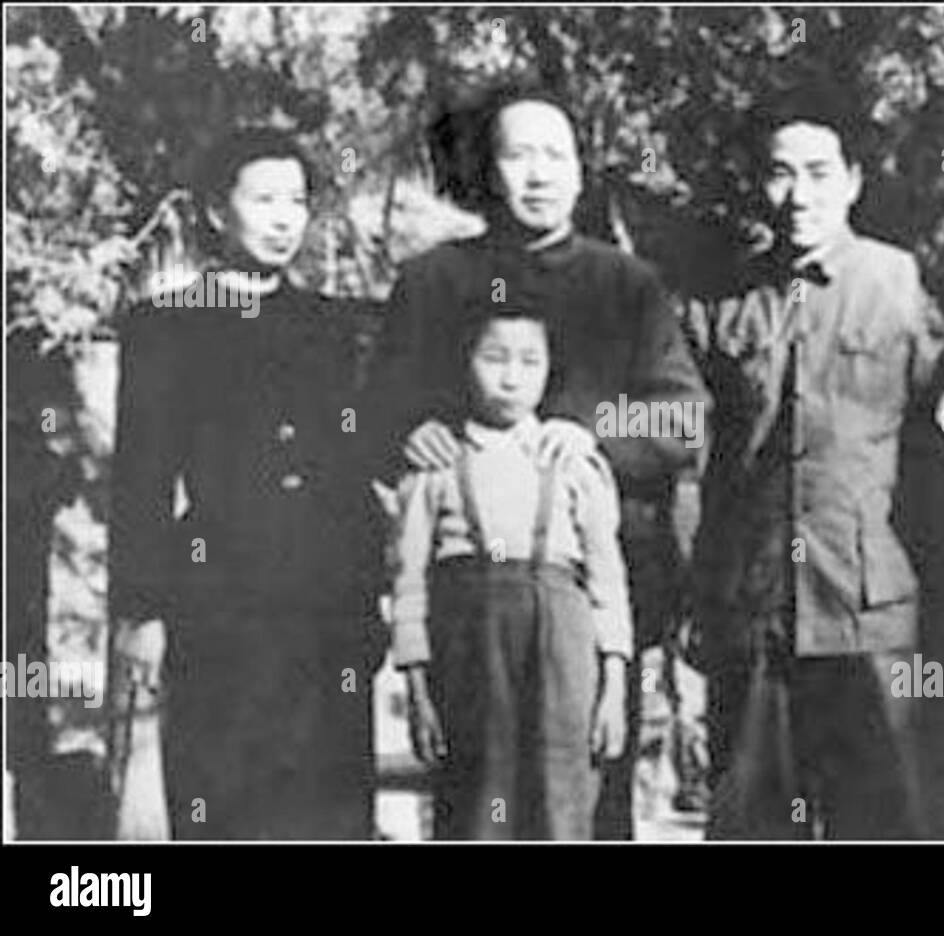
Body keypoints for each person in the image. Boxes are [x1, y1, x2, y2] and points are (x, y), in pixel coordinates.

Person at [375, 85, 710, 839]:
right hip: (468, 614)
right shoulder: (432, 283)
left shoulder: (627, 285)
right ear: (487, 170)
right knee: (475, 809)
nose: (539, 173)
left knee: (586, 808)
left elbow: (686, 418)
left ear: (583, 171)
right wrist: (409, 432)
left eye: (556, 155)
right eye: (518, 154)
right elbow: (369, 412)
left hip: (590, 602)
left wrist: (595, 432)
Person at [679, 79, 944, 839]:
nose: (799, 195)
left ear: (855, 181)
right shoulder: (717, 302)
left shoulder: (900, 285)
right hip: (752, 604)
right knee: (754, 824)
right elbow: (695, 466)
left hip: (870, 606)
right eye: (779, 172)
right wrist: (695, 597)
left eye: (820, 172)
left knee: (883, 820)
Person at [108, 127, 389, 839]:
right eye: (264, 200)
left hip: (328, 611)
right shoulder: (165, 328)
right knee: (224, 802)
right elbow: (141, 479)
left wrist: (371, 597)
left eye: (296, 200)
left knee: (330, 813)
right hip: (219, 607)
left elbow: (354, 467)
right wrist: (141, 612)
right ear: (214, 211)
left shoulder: (334, 327)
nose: (283, 218)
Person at [389, 300, 633, 840]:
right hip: (469, 650)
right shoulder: (435, 463)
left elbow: (608, 579)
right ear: (464, 363)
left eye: (530, 361)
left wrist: (614, 685)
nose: (511, 376)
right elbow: (407, 584)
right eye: (494, 358)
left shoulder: (574, 460)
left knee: (561, 798)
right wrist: (418, 687)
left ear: (549, 371)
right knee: (476, 801)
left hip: (562, 649)